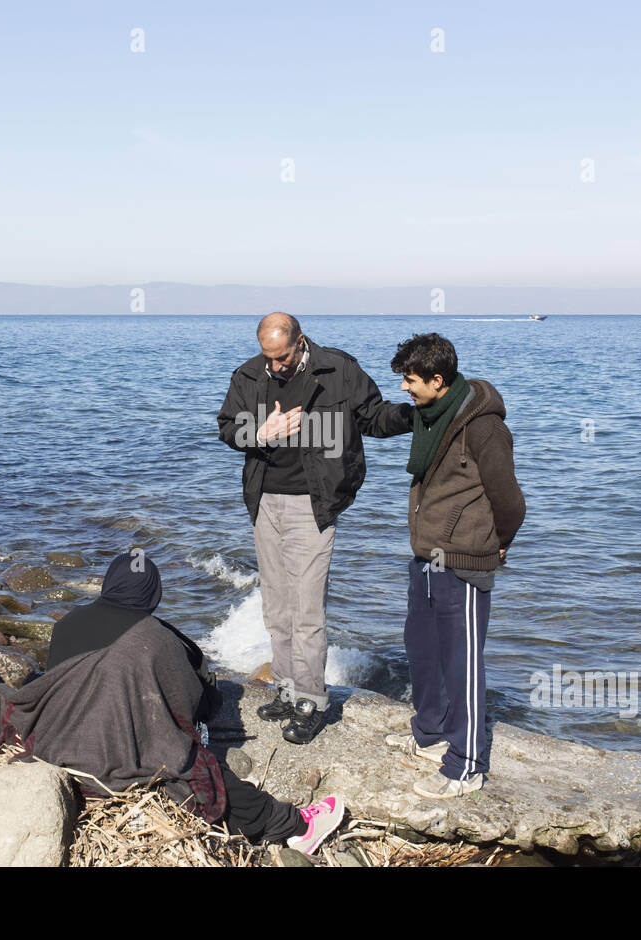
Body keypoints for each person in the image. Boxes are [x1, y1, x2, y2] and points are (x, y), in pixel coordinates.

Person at [0, 552, 345, 854]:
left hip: (52, 745)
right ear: (152, 593)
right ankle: (295, 827)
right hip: (110, 760)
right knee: (203, 772)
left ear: (110, 584)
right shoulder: (159, 639)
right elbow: (192, 707)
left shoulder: (67, 623)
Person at [217, 313, 413, 745]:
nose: (276, 366)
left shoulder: (337, 369)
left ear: (299, 341)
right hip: (264, 501)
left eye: (283, 357)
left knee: (306, 611)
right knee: (277, 606)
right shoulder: (249, 375)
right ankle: (286, 689)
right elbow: (227, 428)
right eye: (269, 358)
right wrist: (259, 432)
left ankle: (312, 701)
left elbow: (374, 417)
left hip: (314, 505)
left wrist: (420, 416)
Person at [385, 334, 525, 799]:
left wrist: (497, 544)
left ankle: (467, 765)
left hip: (464, 561)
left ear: (437, 380)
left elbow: (510, 501)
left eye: (410, 380)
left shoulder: (483, 428)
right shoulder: (429, 417)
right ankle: (430, 735)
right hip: (425, 557)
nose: (404, 388)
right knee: (421, 651)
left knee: (461, 662)